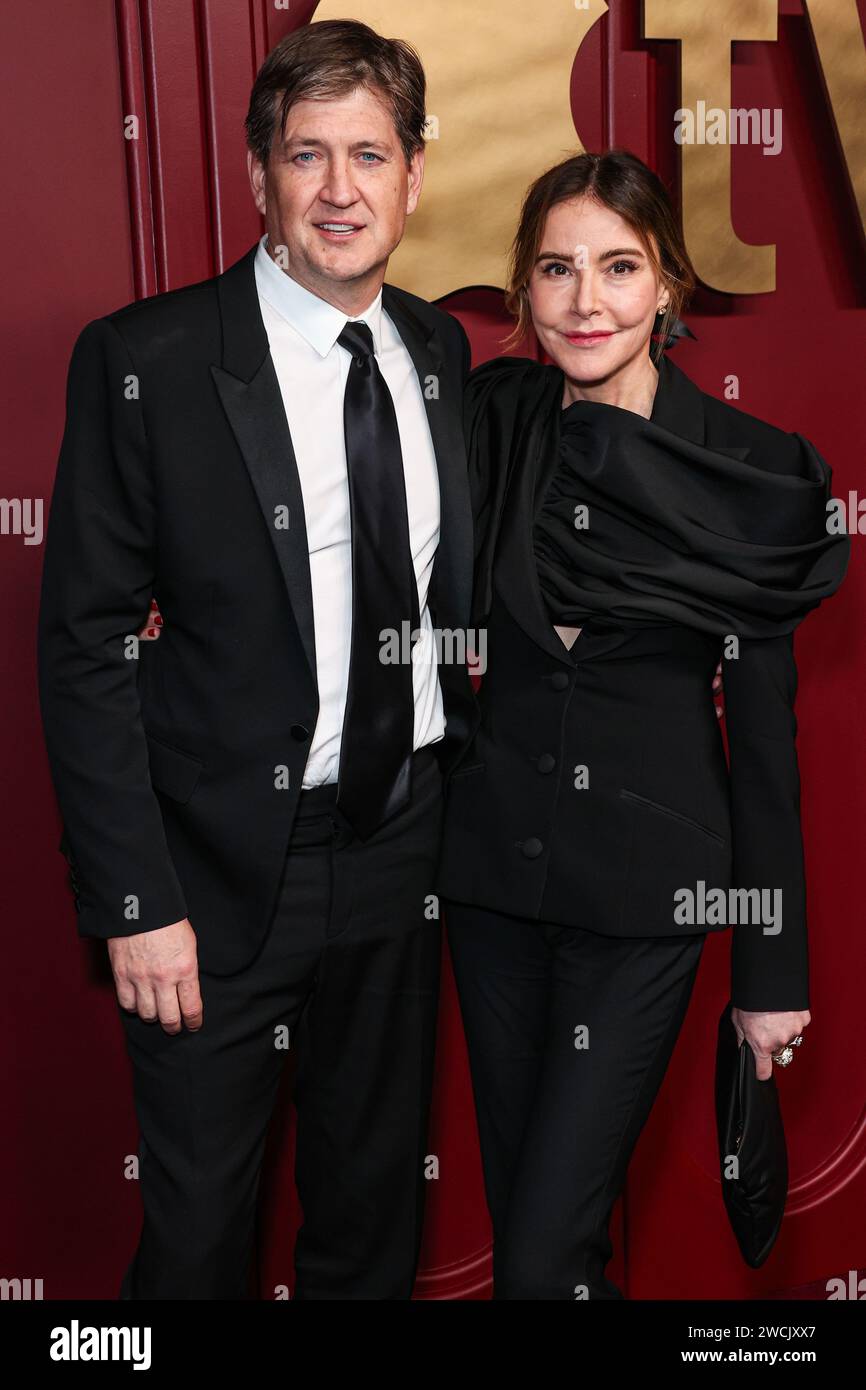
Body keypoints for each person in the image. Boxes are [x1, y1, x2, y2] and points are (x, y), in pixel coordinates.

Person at [37, 19, 476, 1300]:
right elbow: (85, 648)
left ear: (411, 179)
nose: (339, 191)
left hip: (401, 855)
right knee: (192, 1250)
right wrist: (135, 901)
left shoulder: (438, 353)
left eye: (370, 156)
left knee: (368, 1227)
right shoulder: (147, 361)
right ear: (257, 175)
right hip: (217, 882)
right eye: (306, 155)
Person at [435, 149, 850, 1300]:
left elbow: (765, 744)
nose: (585, 300)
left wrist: (768, 970)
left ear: (666, 283)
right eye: (556, 269)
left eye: (617, 267)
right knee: (548, 1241)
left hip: (650, 898)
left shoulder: (746, 469)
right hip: (489, 889)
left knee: (532, 1263)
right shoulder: (488, 420)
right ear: (520, 289)